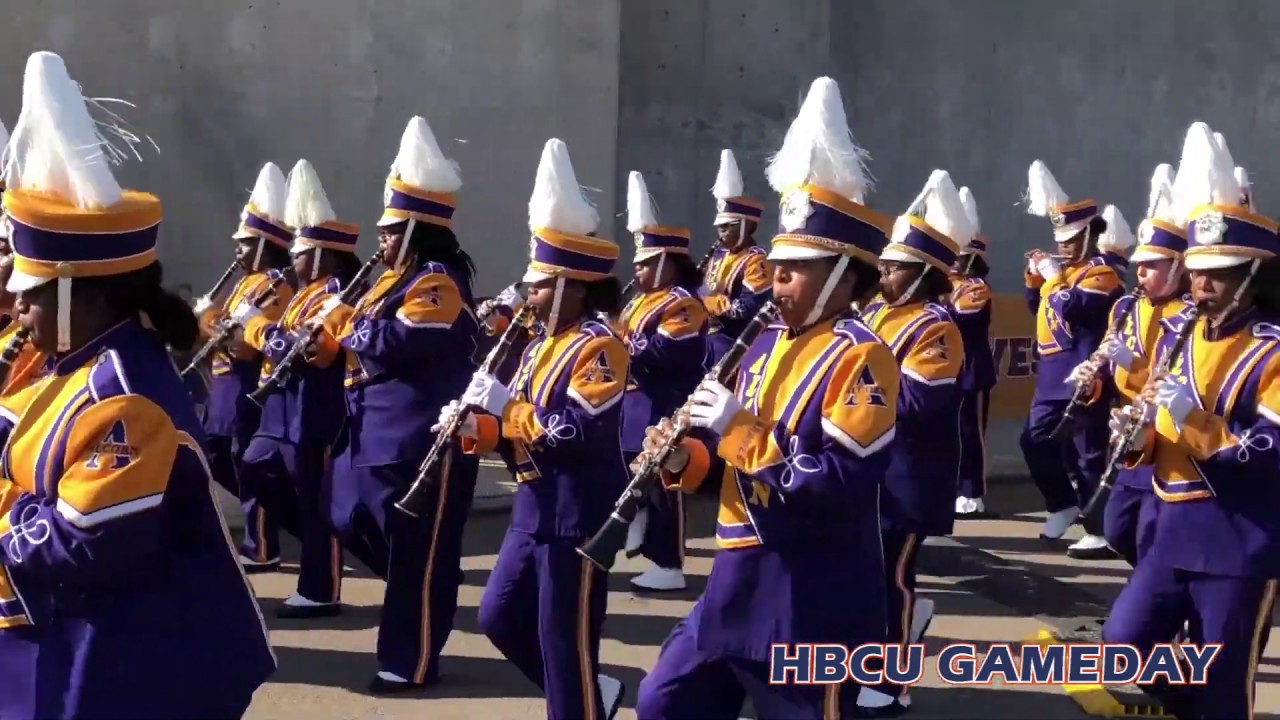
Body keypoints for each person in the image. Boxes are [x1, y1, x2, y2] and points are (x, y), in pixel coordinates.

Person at [0, 49, 274, 719]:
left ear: (79, 294)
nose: (17, 308)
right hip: (77, 633)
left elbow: (85, 539)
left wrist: (9, 514)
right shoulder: (70, 360)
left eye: (29, 296)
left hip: (133, 656)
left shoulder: (123, 393)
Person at [633, 76, 896, 720]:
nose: (775, 281)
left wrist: (739, 430)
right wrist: (678, 461)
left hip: (808, 589)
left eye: (793, 269)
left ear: (839, 273)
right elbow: (722, 468)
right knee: (662, 703)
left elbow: (840, 482)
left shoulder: (865, 357)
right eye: (776, 267)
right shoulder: (760, 344)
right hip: (735, 576)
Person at [1102, 122, 1280, 720]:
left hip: (1238, 542)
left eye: (1218, 273)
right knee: (1122, 651)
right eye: (1196, 269)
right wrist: (1134, 438)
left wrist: (1193, 420)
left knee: (1225, 686)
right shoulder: (1178, 332)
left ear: (1252, 277)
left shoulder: (1274, 349)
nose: (1200, 283)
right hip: (1166, 530)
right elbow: (1156, 438)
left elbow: (1269, 453)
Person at [446, 138, 628, 720]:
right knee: (498, 616)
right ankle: (586, 696)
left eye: (542, 284)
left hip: (577, 510)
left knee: (563, 639)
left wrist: (507, 410)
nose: (531, 294)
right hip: (534, 505)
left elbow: (575, 430)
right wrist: (473, 423)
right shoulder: (539, 345)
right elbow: (515, 428)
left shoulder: (599, 345)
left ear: (575, 284)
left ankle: (577, 703)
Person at [312, 116, 482, 692]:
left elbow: (397, 342)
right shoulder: (388, 283)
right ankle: (428, 591)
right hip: (373, 433)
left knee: (419, 553)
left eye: (390, 231)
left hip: (421, 438)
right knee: (345, 515)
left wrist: (346, 321)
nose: (380, 242)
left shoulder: (438, 281)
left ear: (413, 231)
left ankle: (409, 660)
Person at [234, 159, 363, 618]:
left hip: (316, 407)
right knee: (253, 467)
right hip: (283, 408)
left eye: (301, 252)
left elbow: (309, 348)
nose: (293, 259)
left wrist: (258, 329)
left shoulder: (338, 292)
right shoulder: (305, 290)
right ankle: (298, 545)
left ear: (323, 254)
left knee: (316, 499)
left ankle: (321, 587)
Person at [859, 169, 968, 715]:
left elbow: (923, 402)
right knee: (866, 573)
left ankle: (893, 679)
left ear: (922, 273)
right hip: (867, 467)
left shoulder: (936, 326)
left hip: (907, 474)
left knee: (893, 577)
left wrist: (853, 399)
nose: (883, 273)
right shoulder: (873, 313)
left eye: (895, 267)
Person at [1069, 185, 1190, 564]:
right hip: (1129, 425)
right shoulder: (1125, 306)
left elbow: (1167, 377)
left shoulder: (1187, 314)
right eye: (1141, 263)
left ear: (1179, 266)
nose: (1142, 271)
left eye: (1153, 264)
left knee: (1151, 528)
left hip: (1169, 429)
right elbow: (1107, 362)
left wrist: (1131, 363)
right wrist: (1093, 378)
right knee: (1118, 527)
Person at [197, 161, 296, 572]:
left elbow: (244, 344)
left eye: (245, 243)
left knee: (245, 463)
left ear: (264, 244)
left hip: (243, 385)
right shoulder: (244, 283)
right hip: (220, 387)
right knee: (217, 456)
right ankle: (267, 523)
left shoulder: (277, 285)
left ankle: (262, 541)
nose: (237, 251)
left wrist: (210, 321)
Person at [1020, 160, 1124, 550]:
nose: (1062, 247)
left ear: (1087, 237)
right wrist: (1035, 280)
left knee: (1089, 452)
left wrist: (1053, 277)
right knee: (1034, 442)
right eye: (1059, 240)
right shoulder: (1061, 272)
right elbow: (1041, 309)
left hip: (1083, 370)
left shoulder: (1102, 273)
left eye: (1069, 240)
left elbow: (1074, 306)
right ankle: (1062, 503)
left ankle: (1100, 529)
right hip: (1051, 372)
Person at [618, 170, 709, 593]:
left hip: (666, 400)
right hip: (637, 402)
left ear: (667, 263)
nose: (636, 273)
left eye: (645, 264)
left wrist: (617, 346)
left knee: (664, 483)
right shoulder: (640, 302)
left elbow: (665, 353)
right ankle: (638, 525)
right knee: (632, 470)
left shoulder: (683, 304)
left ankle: (669, 562)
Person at [951, 186, 997, 518]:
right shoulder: (947, 286)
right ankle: (954, 486)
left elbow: (959, 319)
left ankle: (973, 492)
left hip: (972, 371)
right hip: (947, 370)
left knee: (971, 434)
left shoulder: (976, 289)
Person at [702, 148, 771, 365]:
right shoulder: (718, 255)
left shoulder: (757, 262)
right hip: (707, 338)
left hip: (735, 343)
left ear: (746, 226)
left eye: (726, 228)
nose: (720, 234)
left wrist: (705, 301)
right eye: (719, 228)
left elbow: (744, 309)